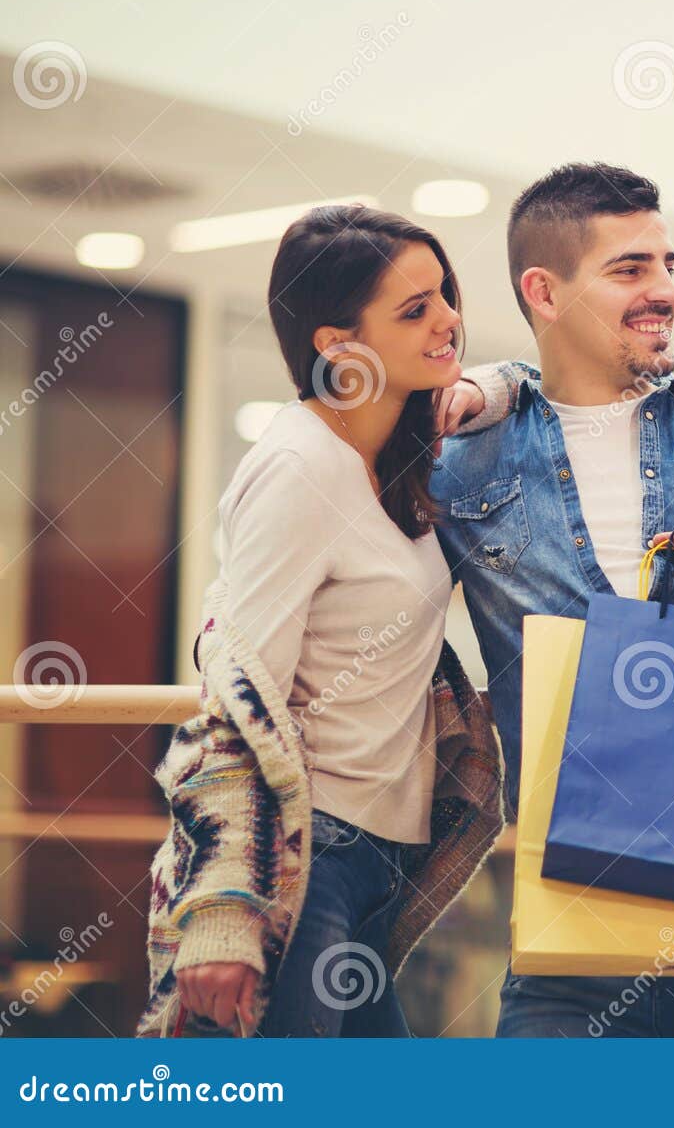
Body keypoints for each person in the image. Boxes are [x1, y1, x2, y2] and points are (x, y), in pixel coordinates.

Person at [434, 162, 674, 1038]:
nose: (666, 292)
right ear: (544, 290)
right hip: (573, 921)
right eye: (630, 270)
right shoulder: (462, 466)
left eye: (668, 263)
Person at [139, 205, 503, 1038]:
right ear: (338, 344)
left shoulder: (394, 456)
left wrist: (491, 385)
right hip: (305, 860)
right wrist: (224, 912)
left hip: (375, 860)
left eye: (442, 291)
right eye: (414, 311)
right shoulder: (299, 462)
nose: (448, 318)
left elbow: (530, 388)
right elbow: (236, 689)